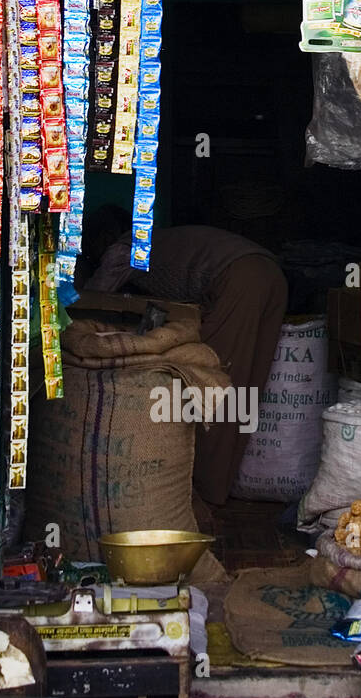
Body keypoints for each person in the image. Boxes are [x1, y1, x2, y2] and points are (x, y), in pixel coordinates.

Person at [81, 212, 288, 506]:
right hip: (270, 275)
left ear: (103, 238)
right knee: (245, 387)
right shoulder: (165, 241)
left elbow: (92, 297)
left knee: (213, 385)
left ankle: (203, 492)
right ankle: (222, 483)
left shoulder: (125, 247)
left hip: (240, 279)